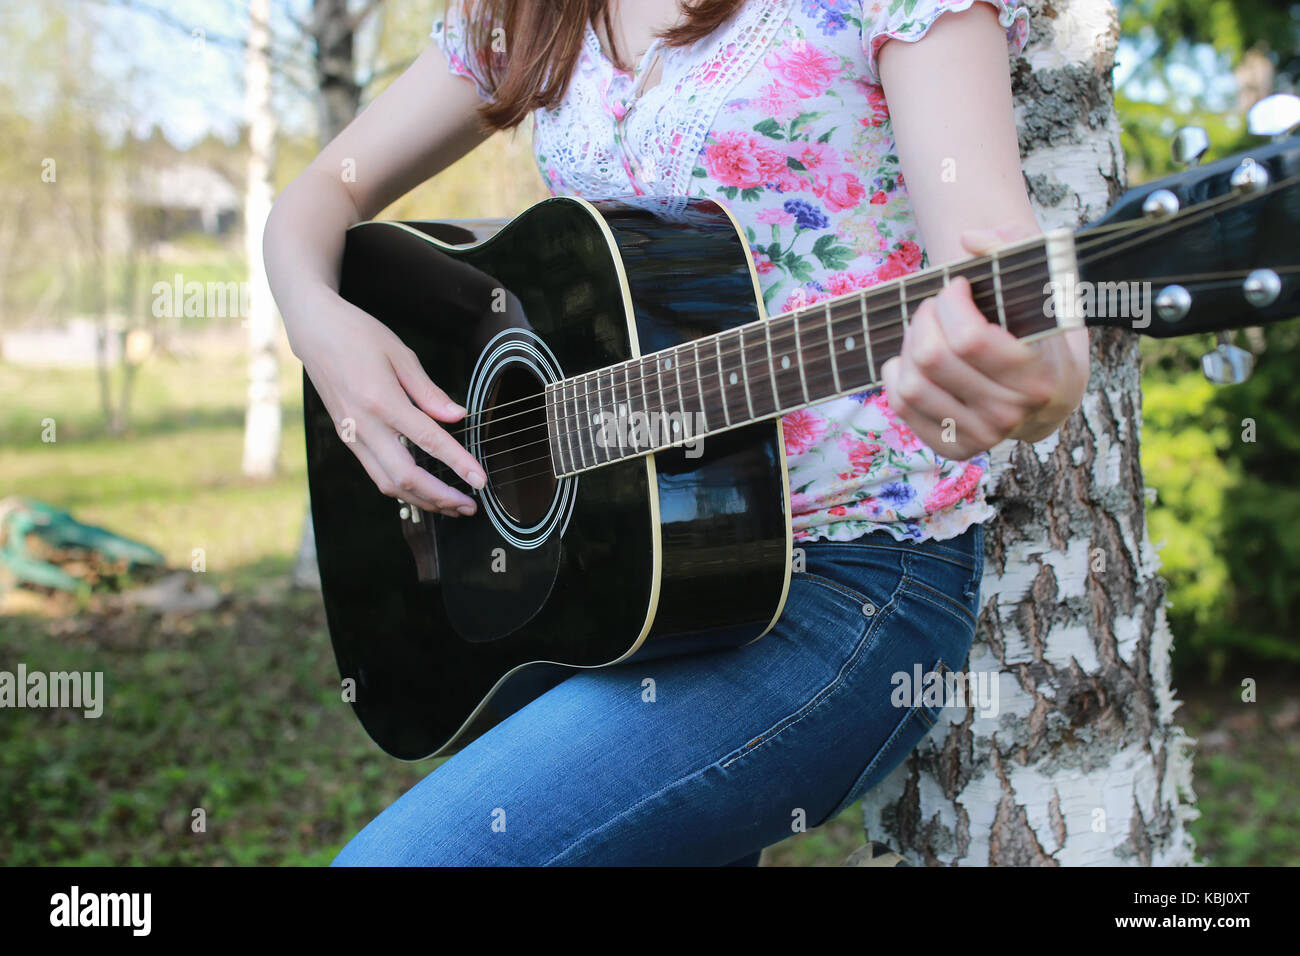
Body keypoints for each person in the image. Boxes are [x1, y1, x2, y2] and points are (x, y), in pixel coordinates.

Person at [264, 0, 1090, 866]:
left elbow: (1007, 277)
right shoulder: (529, 12)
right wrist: (320, 323)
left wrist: (1042, 377)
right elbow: (322, 193)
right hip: (623, 574)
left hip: (847, 580)